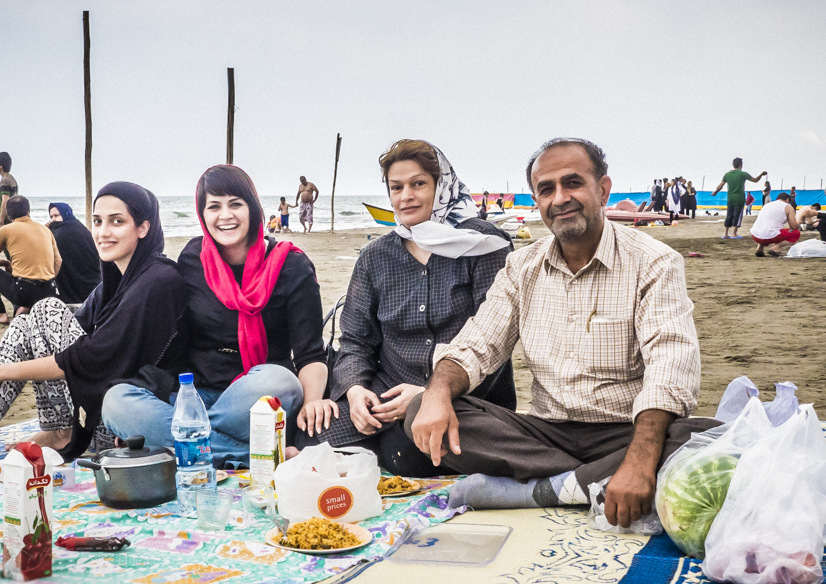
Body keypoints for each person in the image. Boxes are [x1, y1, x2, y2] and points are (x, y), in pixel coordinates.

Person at [406, 137, 719, 528]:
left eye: (573, 183)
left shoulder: (654, 262)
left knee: (707, 437)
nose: (560, 199)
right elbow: (477, 344)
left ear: (602, 189)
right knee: (422, 407)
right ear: (537, 200)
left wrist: (640, 460)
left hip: (625, 431)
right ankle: (587, 483)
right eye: (546, 189)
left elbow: (669, 367)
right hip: (543, 435)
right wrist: (437, 392)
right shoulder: (521, 267)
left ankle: (547, 488)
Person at [0, 183, 186, 476]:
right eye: (98, 221)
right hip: (101, 411)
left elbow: (91, 357)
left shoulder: (159, 280)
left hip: (125, 425)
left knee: (47, 307)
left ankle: (60, 431)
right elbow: (69, 334)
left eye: (117, 221)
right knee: (25, 321)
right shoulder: (116, 282)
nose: (103, 232)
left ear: (143, 227)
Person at [300, 140, 514, 476]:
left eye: (418, 184)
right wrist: (356, 392)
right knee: (308, 441)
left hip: (467, 397)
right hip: (387, 392)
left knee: (410, 451)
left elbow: (496, 341)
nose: (406, 197)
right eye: (396, 187)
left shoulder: (484, 245)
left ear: (441, 186)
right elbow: (355, 341)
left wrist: (430, 394)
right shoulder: (375, 257)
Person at [101, 165, 331, 467]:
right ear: (202, 214)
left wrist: (312, 402)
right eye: (214, 207)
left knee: (282, 382)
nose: (225, 216)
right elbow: (176, 338)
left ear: (253, 208)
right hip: (194, 395)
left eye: (235, 204)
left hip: (255, 398)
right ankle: (255, 453)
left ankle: (176, 443)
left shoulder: (292, 265)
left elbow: (311, 354)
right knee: (116, 403)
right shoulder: (192, 259)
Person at [0, 197, 60, 326]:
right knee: (22, 277)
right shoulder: (46, 230)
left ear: (9, 215)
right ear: (28, 212)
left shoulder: (5, 230)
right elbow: (58, 260)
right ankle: (28, 306)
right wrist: (47, 279)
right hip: (50, 291)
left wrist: (5, 263)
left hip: (24, 291)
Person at [48, 203, 101, 305]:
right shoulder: (81, 228)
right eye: (51, 217)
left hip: (71, 287)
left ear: (65, 214)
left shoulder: (57, 234)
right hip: (92, 285)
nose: (53, 220)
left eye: (56, 215)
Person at [713, 158, 767, 241]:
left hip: (730, 198)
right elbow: (755, 180)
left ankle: (725, 234)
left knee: (729, 215)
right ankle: (734, 234)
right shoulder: (743, 174)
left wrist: (715, 192)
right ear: (741, 165)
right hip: (739, 199)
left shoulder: (727, 174)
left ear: (733, 165)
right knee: (737, 216)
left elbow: (721, 185)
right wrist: (761, 174)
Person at [0, 152, 18, 228]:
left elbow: (5, 201)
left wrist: (1, 221)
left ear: (1, 165)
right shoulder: (11, 179)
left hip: (7, 220)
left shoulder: (5, 181)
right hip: (13, 218)